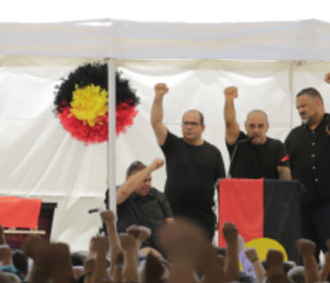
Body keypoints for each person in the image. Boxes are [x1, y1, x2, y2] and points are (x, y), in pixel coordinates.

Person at [284, 71, 330, 254]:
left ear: (318, 103)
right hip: (303, 208)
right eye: (298, 107)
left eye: (304, 106)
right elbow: (286, 170)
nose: (300, 110)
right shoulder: (294, 136)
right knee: (305, 258)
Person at [151, 83, 225, 240]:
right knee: (174, 261)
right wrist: (159, 97)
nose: (189, 127)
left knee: (201, 261)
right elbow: (156, 123)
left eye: (193, 124)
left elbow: (222, 187)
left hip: (203, 220)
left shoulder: (213, 152)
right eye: (185, 123)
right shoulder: (172, 145)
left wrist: (224, 217)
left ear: (202, 127)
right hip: (173, 218)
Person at [223, 86, 291, 180]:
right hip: (240, 193)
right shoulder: (238, 143)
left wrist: (286, 191)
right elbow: (230, 123)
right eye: (252, 126)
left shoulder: (277, 146)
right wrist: (229, 99)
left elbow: (285, 174)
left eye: (260, 126)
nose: (256, 130)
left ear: (267, 126)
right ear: (246, 126)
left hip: (268, 193)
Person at [110, 159, 173, 251]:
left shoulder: (158, 196)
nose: (148, 184)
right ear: (129, 179)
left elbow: (170, 224)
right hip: (133, 252)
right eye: (144, 180)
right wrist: (151, 167)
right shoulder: (116, 193)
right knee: (148, 253)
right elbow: (122, 193)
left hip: (161, 251)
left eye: (149, 180)